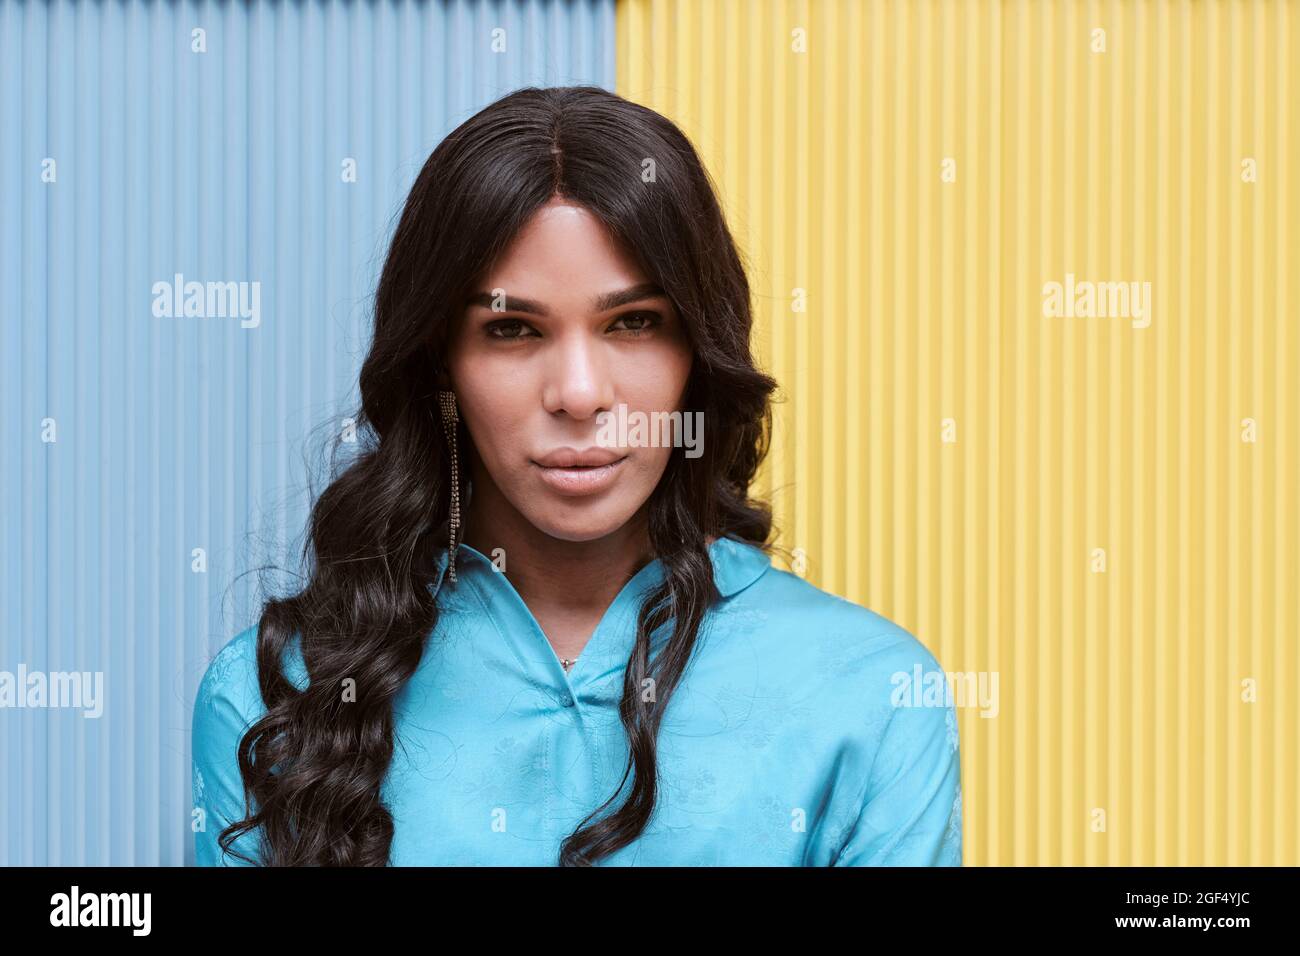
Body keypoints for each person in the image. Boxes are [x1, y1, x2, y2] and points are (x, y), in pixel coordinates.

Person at [192, 85, 961, 866]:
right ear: (439, 365)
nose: (581, 394)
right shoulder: (274, 695)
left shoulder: (873, 693)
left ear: (699, 353)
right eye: (511, 329)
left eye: (633, 323)